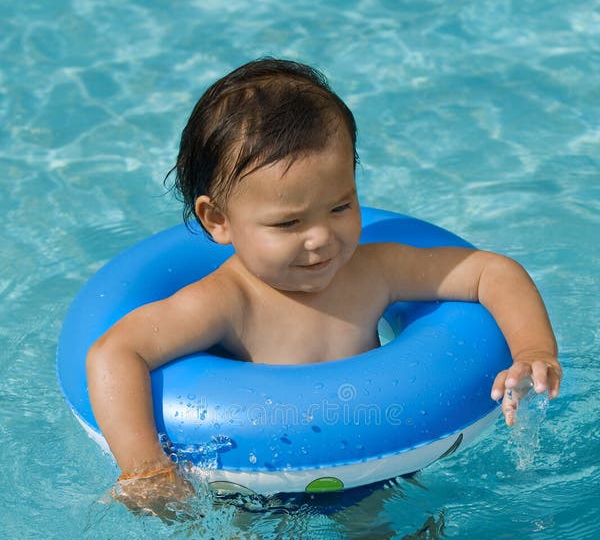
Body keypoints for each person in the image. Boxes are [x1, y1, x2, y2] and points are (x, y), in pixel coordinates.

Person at [86, 57, 562, 515]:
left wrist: (534, 349)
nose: (321, 239)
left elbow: (491, 272)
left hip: (377, 456)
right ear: (218, 220)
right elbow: (114, 353)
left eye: (339, 207)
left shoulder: (374, 269)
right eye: (288, 222)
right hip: (262, 484)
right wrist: (145, 469)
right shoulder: (226, 301)